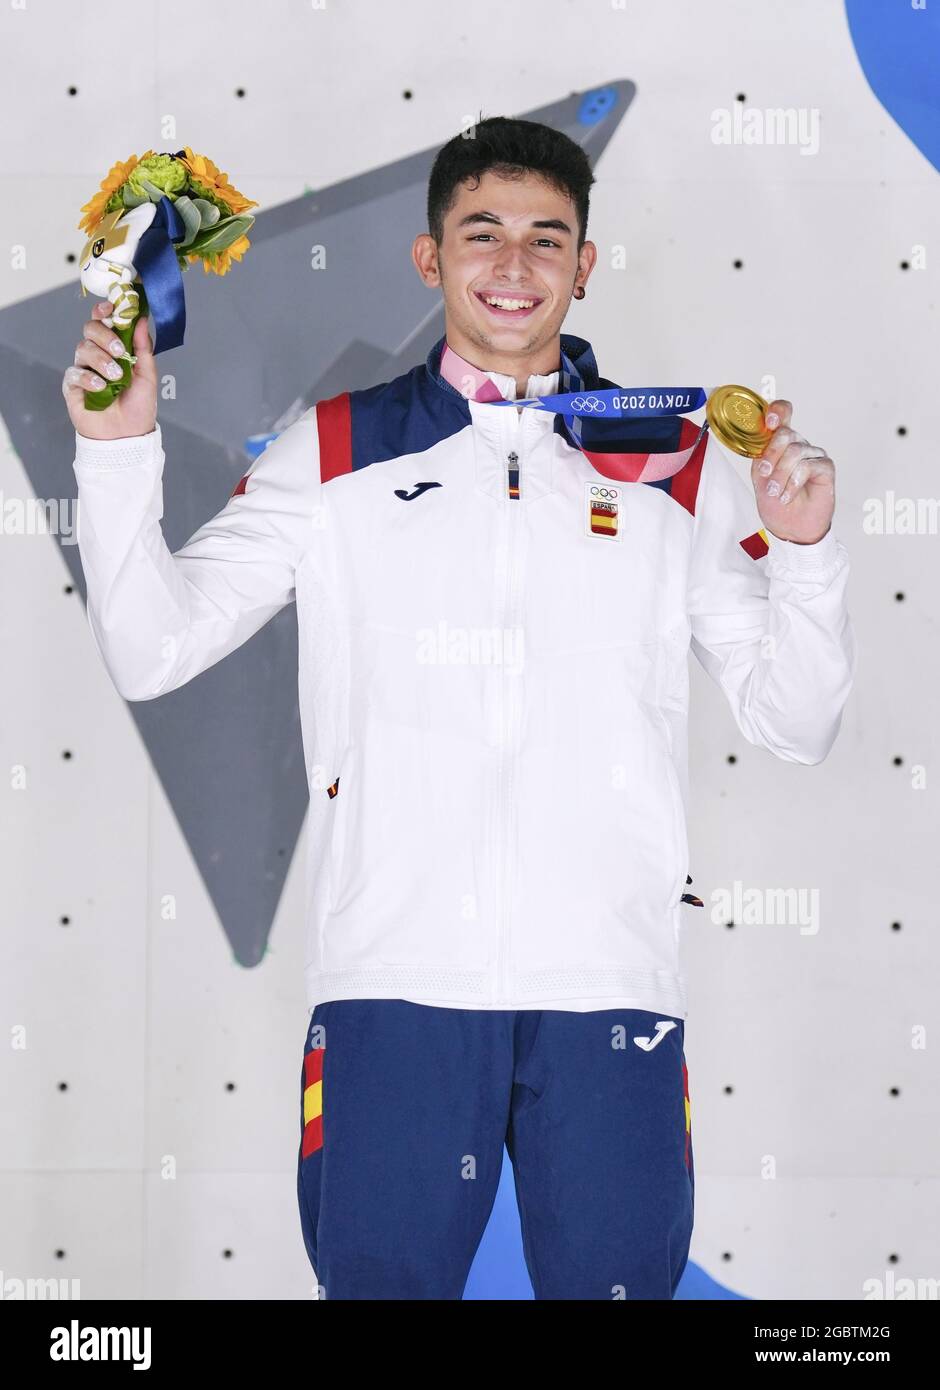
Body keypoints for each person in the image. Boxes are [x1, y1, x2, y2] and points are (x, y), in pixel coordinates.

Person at [64, 116, 856, 1300]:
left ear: (585, 265)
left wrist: (804, 556)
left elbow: (797, 721)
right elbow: (154, 647)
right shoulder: (334, 453)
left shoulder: (674, 460)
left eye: (548, 238)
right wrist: (115, 455)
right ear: (431, 259)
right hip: (395, 986)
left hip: (609, 992)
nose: (515, 264)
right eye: (482, 232)